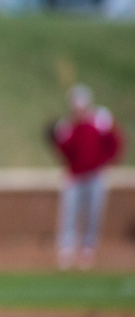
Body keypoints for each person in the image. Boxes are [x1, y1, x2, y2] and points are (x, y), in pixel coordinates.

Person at [47, 84, 125, 270]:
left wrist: (106, 162)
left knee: (93, 213)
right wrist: (57, 140)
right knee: (69, 212)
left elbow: (115, 143)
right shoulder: (68, 127)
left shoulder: (99, 122)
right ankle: (66, 248)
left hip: (95, 175)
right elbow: (64, 153)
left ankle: (87, 248)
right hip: (74, 176)